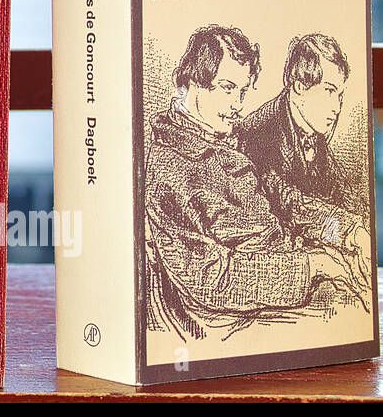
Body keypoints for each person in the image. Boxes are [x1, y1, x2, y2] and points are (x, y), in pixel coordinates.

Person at [143, 25, 371, 341]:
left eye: (243, 91)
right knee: (348, 312)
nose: (237, 104)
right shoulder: (169, 168)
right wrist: (311, 268)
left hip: (285, 282)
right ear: (195, 82)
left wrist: (345, 230)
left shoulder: (226, 138)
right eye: (227, 87)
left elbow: (281, 196)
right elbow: (213, 281)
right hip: (237, 321)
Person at [235, 33, 360, 212]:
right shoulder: (259, 131)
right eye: (329, 91)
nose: (337, 108)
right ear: (300, 86)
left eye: (339, 96)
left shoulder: (312, 129)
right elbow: (283, 203)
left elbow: (335, 192)